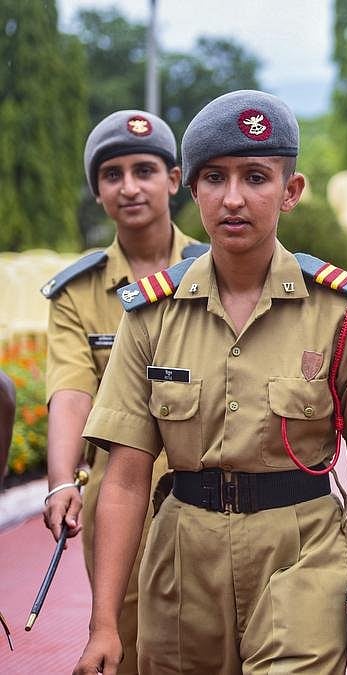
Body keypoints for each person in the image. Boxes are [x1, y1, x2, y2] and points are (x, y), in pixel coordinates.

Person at [72, 90, 347, 675]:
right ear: (191, 189)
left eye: (255, 177)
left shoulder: (344, 314)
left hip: (301, 552)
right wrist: (104, 625)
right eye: (214, 178)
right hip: (182, 559)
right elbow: (124, 480)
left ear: (291, 191)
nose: (233, 198)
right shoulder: (151, 315)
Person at [40, 109, 206, 673]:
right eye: (112, 175)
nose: (130, 187)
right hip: (118, 494)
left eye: (144, 170)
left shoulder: (218, 268)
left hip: (207, 486)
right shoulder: (77, 292)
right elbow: (71, 391)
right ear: (97, 191)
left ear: (174, 179)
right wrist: (62, 480)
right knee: (124, 643)